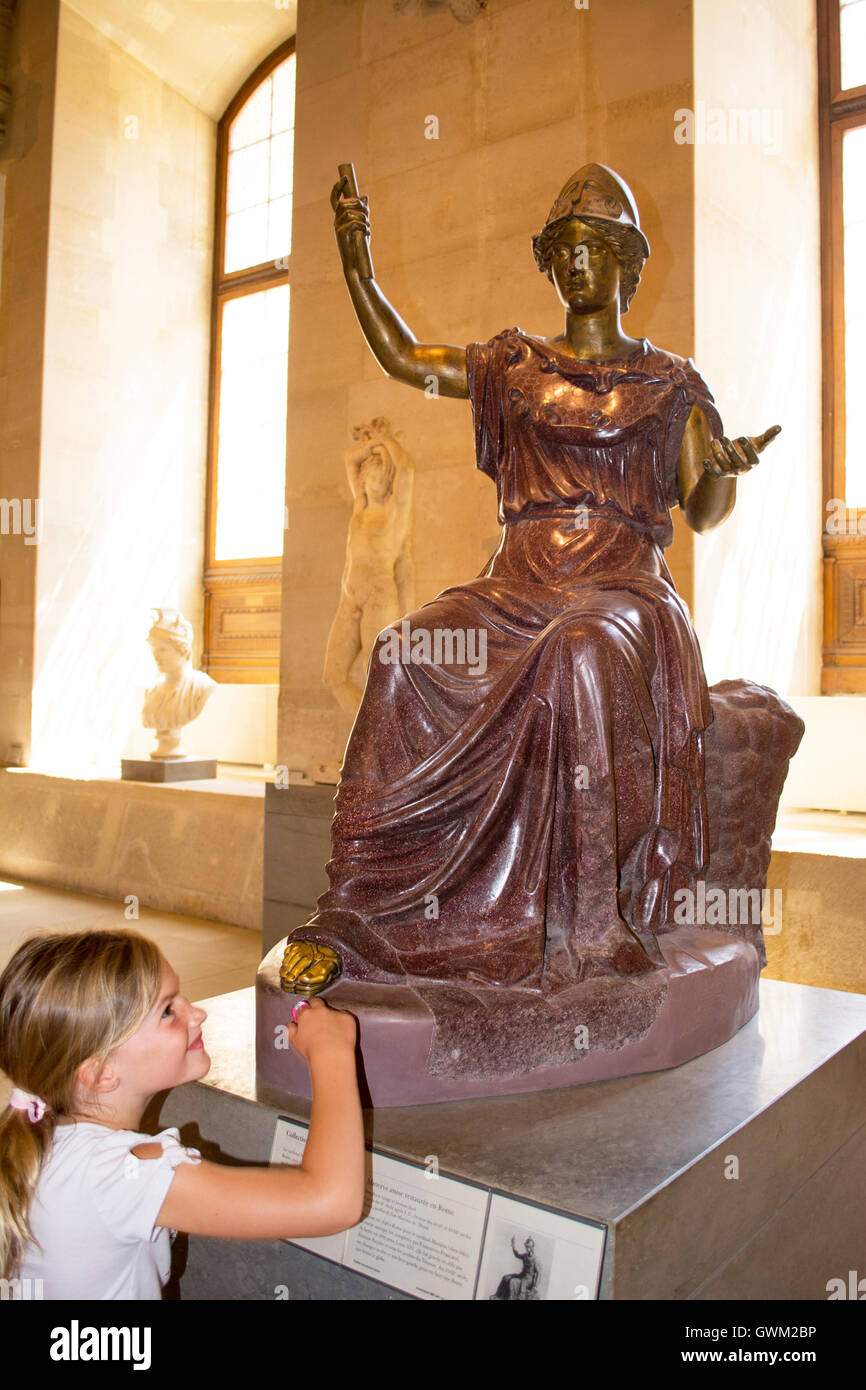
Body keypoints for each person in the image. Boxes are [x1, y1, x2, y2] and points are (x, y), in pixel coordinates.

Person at [281, 162, 780, 997]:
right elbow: (406, 358)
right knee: (403, 653)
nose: (581, 263)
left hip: (620, 591)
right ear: (551, 264)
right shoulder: (514, 366)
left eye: (598, 248)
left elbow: (703, 509)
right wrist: (356, 259)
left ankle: (591, 921)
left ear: (628, 263)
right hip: (517, 580)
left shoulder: (671, 384)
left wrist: (722, 469)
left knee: (578, 650)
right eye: (568, 250)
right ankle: (362, 909)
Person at [0, 929, 363, 1299]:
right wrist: (331, 1053)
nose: (198, 1013)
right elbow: (332, 1203)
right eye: (168, 1011)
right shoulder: (123, 1174)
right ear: (100, 1074)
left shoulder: (41, 1137)